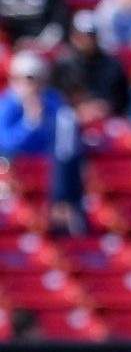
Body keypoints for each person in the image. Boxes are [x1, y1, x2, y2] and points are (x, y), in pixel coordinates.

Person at [0, 49, 87, 236]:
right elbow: (6, 144)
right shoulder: (7, 105)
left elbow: (62, 143)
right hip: (15, 172)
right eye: (27, 78)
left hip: (48, 173)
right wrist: (29, 123)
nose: (32, 84)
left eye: (36, 78)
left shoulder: (53, 102)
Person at [53, 10, 129, 117]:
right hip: (73, 118)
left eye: (91, 35)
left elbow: (123, 100)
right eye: (82, 35)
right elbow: (56, 99)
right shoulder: (63, 65)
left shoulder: (113, 66)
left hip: (107, 119)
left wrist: (107, 107)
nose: (87, 40)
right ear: (73, 36)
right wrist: (79, 109)